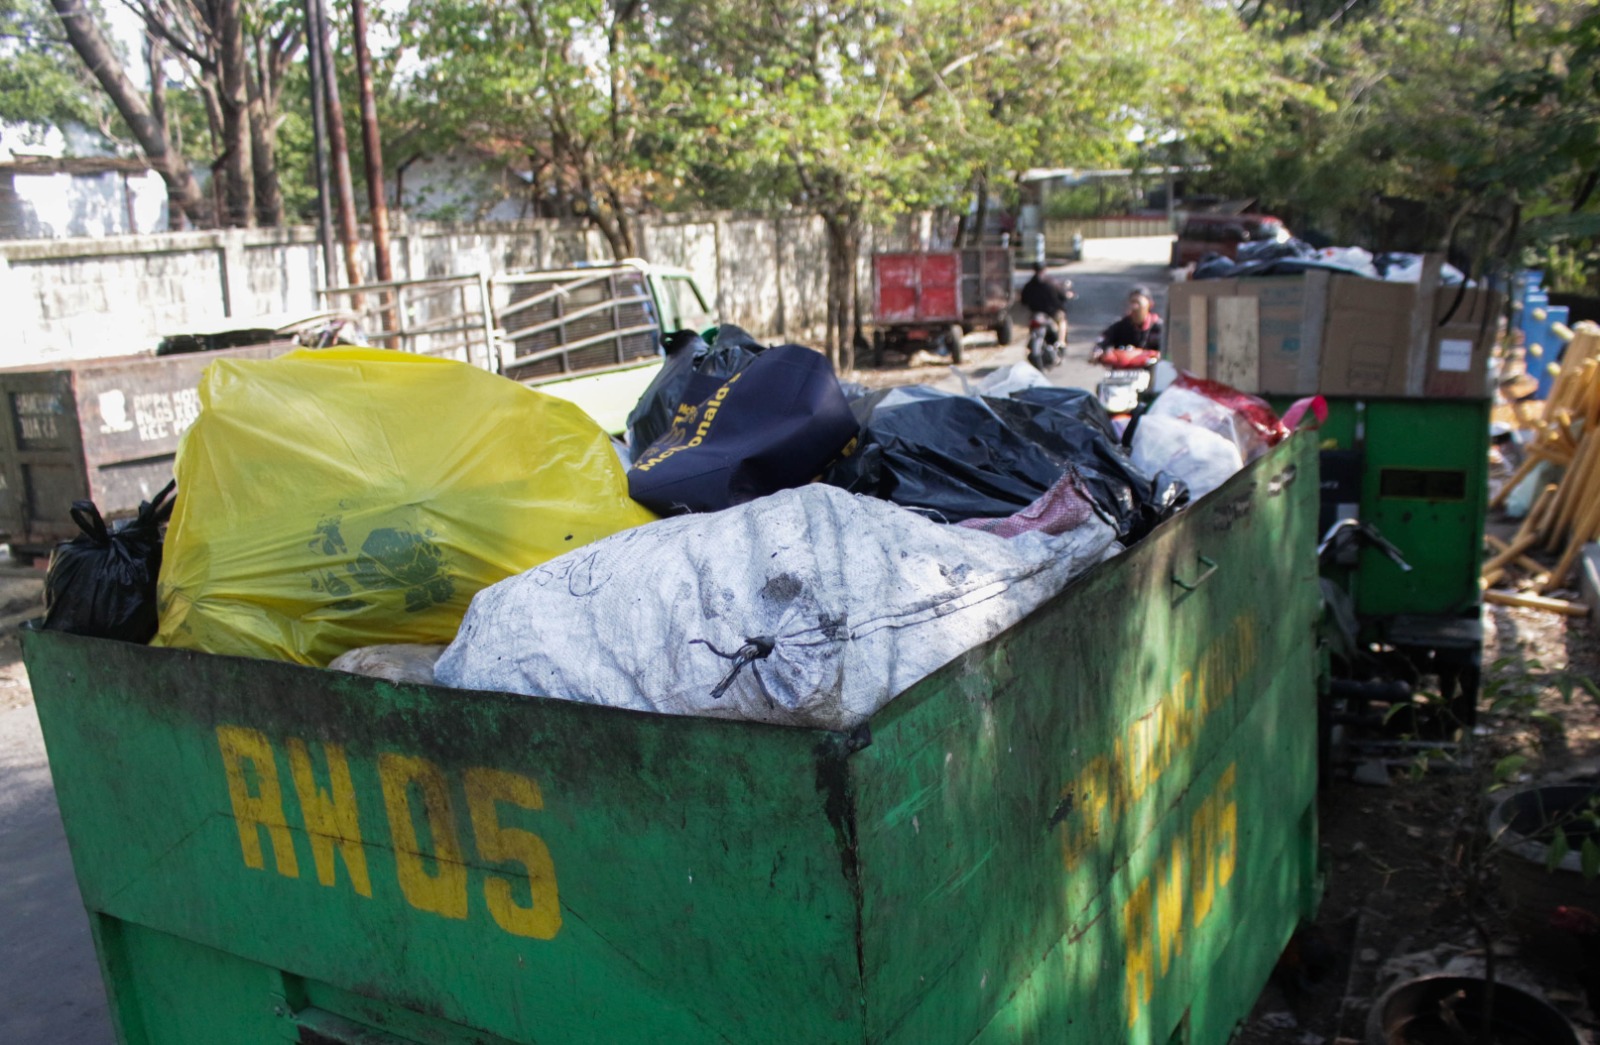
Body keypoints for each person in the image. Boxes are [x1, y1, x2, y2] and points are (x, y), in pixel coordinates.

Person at [1097, 286, 1162, 352]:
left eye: (1138, 303)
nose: (1134, 307)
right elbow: (1103, 339)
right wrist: (1098, 350)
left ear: (1150, 304)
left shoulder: (1159, 327)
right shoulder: (1120, 325)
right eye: (1132, 302)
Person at [1019, 263, 1069, 345]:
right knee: (1062, 320)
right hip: (1052, 312)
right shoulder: (1052, 282)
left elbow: (1024, 300)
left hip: (1036, 312)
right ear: (1045, 269)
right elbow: (1062, 295)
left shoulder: (1029, 284)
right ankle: (1061, 342)